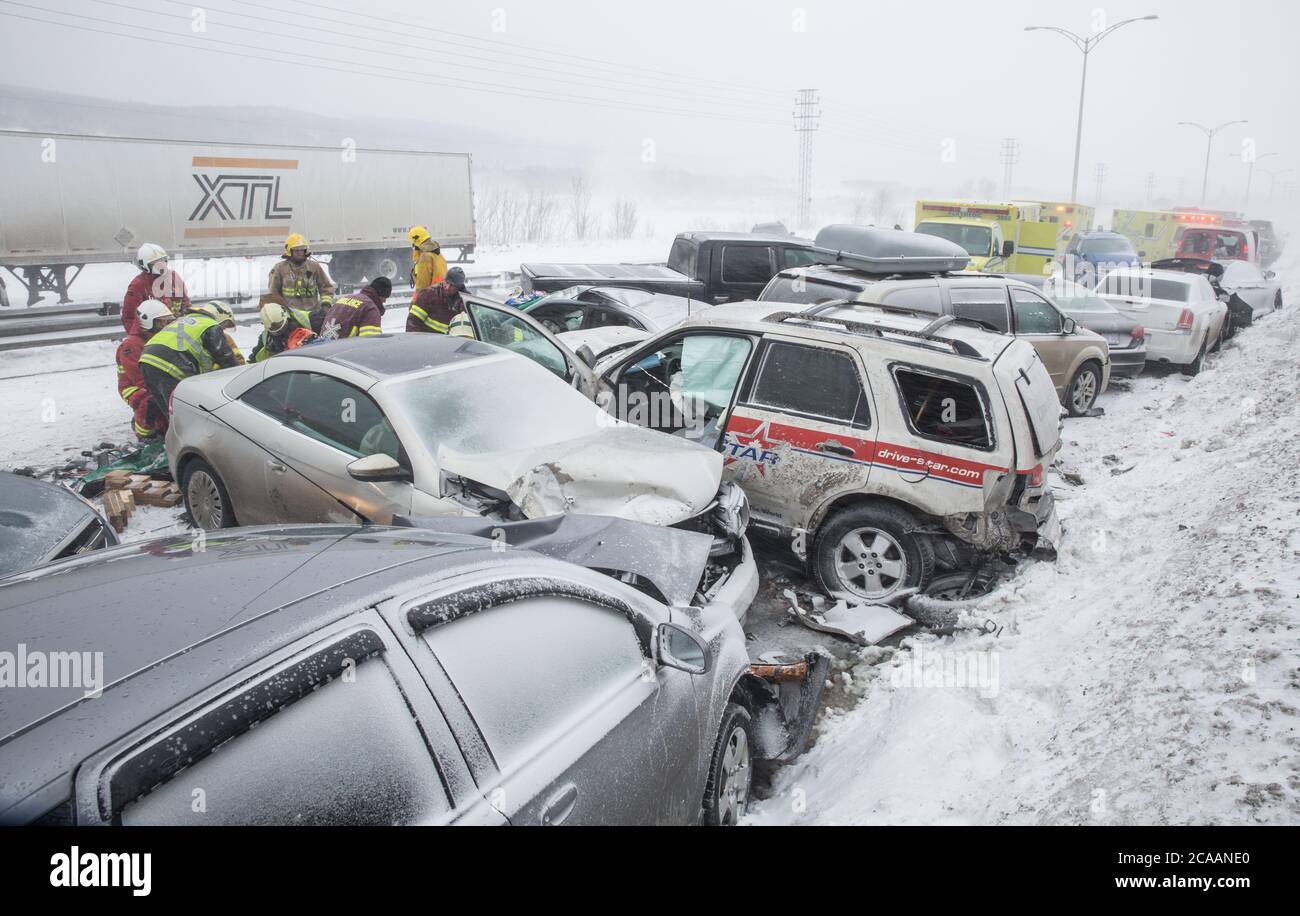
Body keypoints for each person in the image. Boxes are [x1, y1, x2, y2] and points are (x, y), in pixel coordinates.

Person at [138, 300, 243, 424]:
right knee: (187, 408)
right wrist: (241, 382)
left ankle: (157, 435)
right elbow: (227, 360)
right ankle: (185, 438)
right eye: (225, 324)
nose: (223, 328)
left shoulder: (186, 321)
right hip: (170, 363)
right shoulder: (210, 325)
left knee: (168, 409)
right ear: (220, 317)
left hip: (146, 358)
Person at [116, 299, 174, 439]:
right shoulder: (131, 346)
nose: (165, 326)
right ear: (148, 322)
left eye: (167, 322)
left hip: (155, 382)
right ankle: (145, 437)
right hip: (133, 388)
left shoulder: (157, 338)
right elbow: (141, 379)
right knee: (150, 401)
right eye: (161, 322)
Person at [266, 233, 336, 332]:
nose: (300, 253)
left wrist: (325, 305)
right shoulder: (279, 269)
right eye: (296, 250)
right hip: (291, 319)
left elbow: (326, 288)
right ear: (289, 251)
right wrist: (280, 316)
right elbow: (273, 295)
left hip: (313, 318)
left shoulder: (314, 267)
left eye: (302, 250)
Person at [121, 243, 190, 334]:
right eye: (156, 263)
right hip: (154, 338)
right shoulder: (138, 286)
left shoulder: (174, 277)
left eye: (164, 261)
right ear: (145, 266)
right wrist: (144, 340)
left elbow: (186, 305)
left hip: (176, 335)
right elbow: (129, 318)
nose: (162, 266)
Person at [319, 277, 391, 339]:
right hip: (342, 352)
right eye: (385, 297)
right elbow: (370, 343)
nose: (384, 301)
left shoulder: (345, 298)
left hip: (323, 348)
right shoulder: (370, 309)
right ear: (380, 294)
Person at [252, 294, 314, 362]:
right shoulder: (266, 339)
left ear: (285, 313)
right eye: (274, 329)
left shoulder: (310, 319)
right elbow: (254, 359)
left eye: (280, 325)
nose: (280, 331)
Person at [407, 266, 469, 333]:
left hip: (452, 342)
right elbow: (413, 321)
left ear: (459, 287)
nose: (447, 287)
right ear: (444, 280)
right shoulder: (429, 294)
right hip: (428, 340)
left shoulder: (466, 301)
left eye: (452, 285)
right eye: (447, 282)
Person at [408, 225, 448, 302]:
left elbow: (422, 287)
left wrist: (414, 303)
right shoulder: (436, 253)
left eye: (413, 242)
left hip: (431, 298)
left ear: (417, 241)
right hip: (439, 295)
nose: (412, 245)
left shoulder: (425, 257)